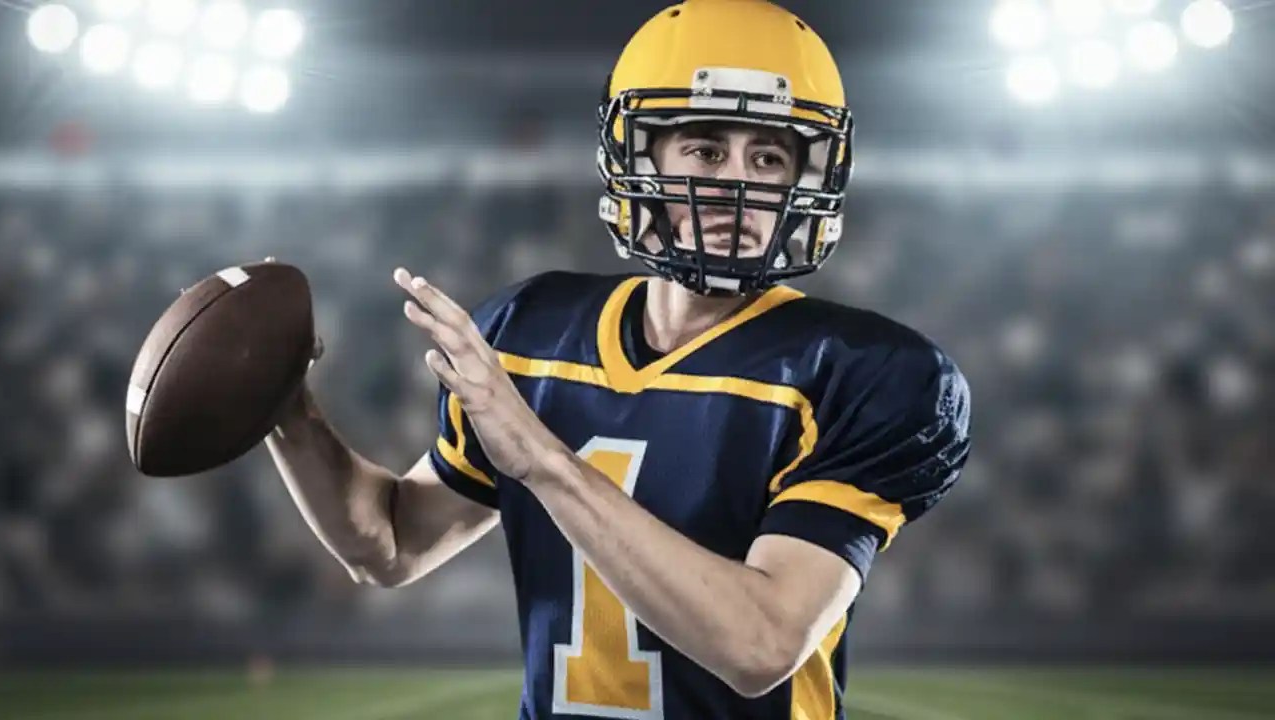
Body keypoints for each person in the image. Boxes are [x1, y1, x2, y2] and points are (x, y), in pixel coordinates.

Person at [265, 1, 972, 717]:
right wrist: (289, 411)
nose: (738, 182)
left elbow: (760, 646)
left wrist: (542, 460)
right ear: (639, 158)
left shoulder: (860, 372)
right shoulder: (530, 331)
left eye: (768, 157)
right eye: (705, 150)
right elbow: (388, 544)